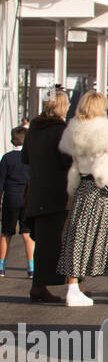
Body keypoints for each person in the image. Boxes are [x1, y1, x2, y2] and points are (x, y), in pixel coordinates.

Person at [56, 92, 108, 306]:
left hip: (82, 189)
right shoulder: (106, 130)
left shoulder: (74, 130)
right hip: (102, 190)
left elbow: (74, 162)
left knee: (77, 239)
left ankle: (73, 288)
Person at [22, 92, 71, 303]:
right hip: (57, 193)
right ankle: (72, 285)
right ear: (62, 106)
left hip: (36, 193)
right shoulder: (61, 130)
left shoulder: (34, 127)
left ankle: (39, 286)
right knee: (63, 241)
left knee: (43, 242)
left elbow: (25, 157)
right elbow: (67, 161)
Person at [0, 127, 35, 278]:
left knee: (6, 233)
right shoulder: (31, 158)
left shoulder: (7, 158)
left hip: (11, 199)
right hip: (26, 200)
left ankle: (1, 266)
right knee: (27, 234)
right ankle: (31, 267)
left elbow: (0, 181)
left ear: (12, 140)